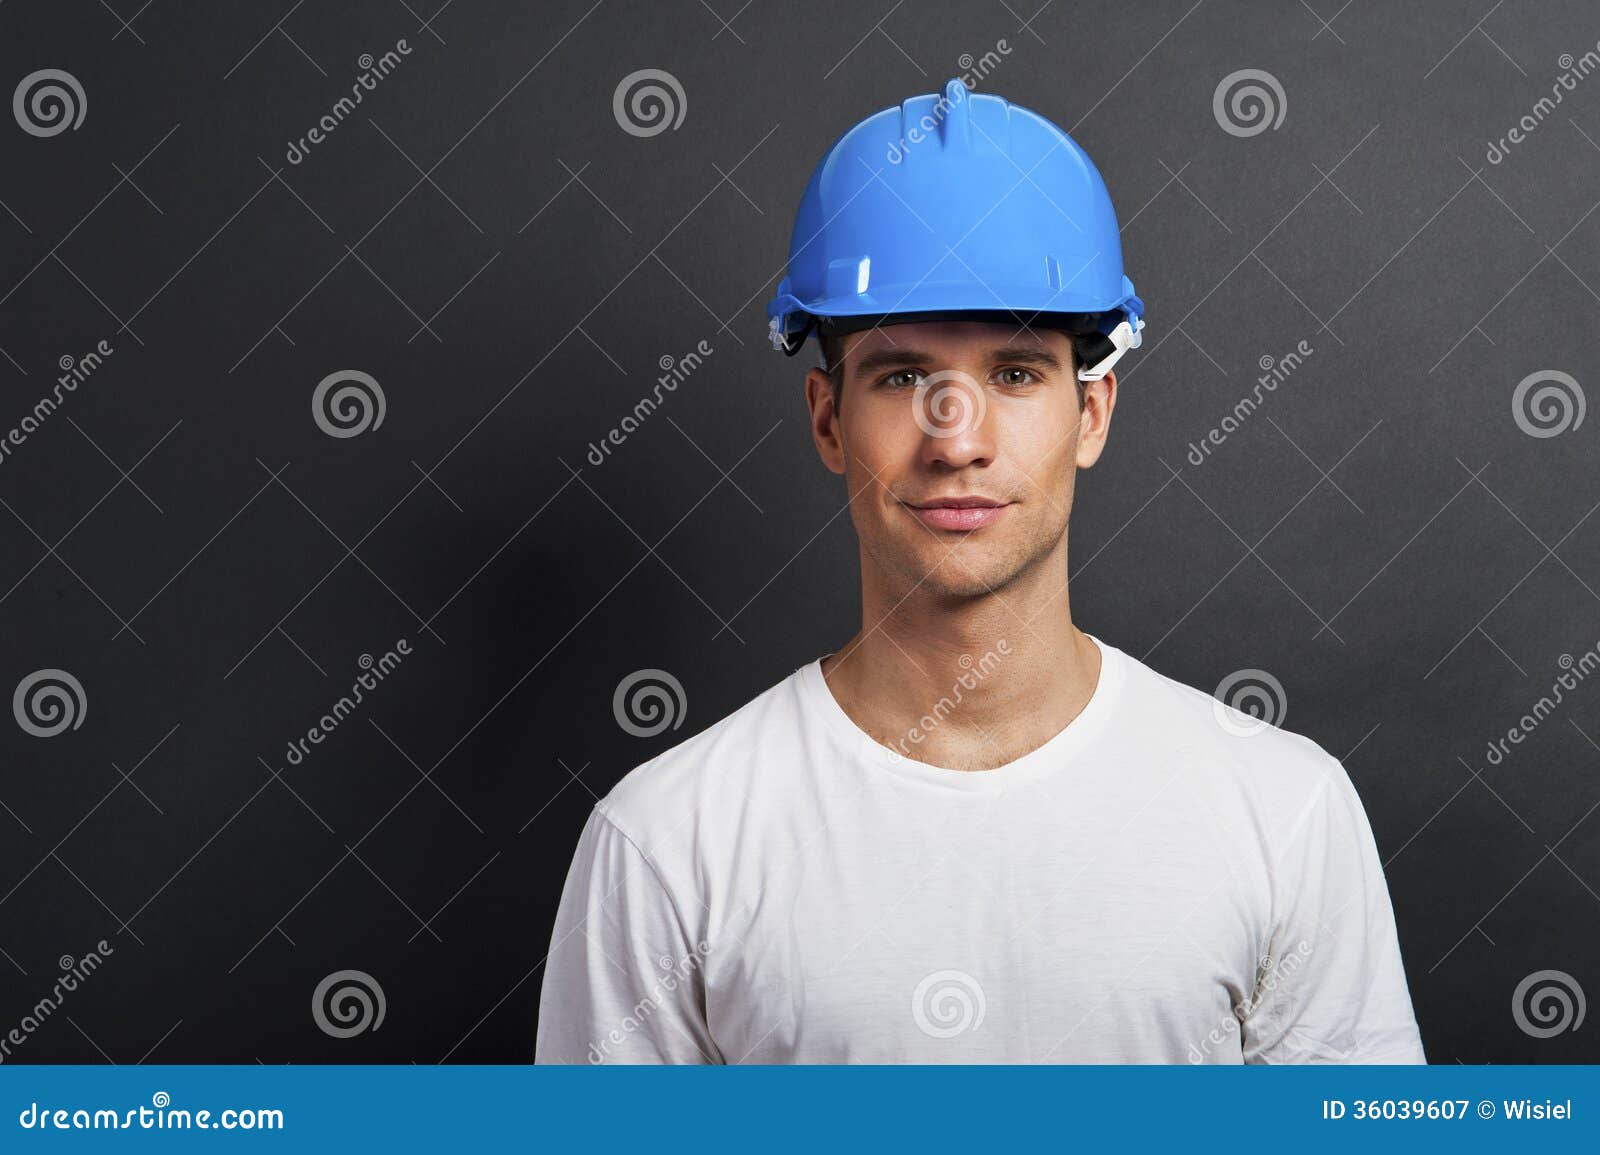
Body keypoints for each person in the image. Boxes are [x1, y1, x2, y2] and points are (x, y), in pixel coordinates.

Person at [535, 79, 1425, 1064]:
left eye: (1014, 373)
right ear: (828, 419)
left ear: (1091, 414)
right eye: (902, 376)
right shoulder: (668, 844)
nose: (956, 440)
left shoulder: (1284, 813)